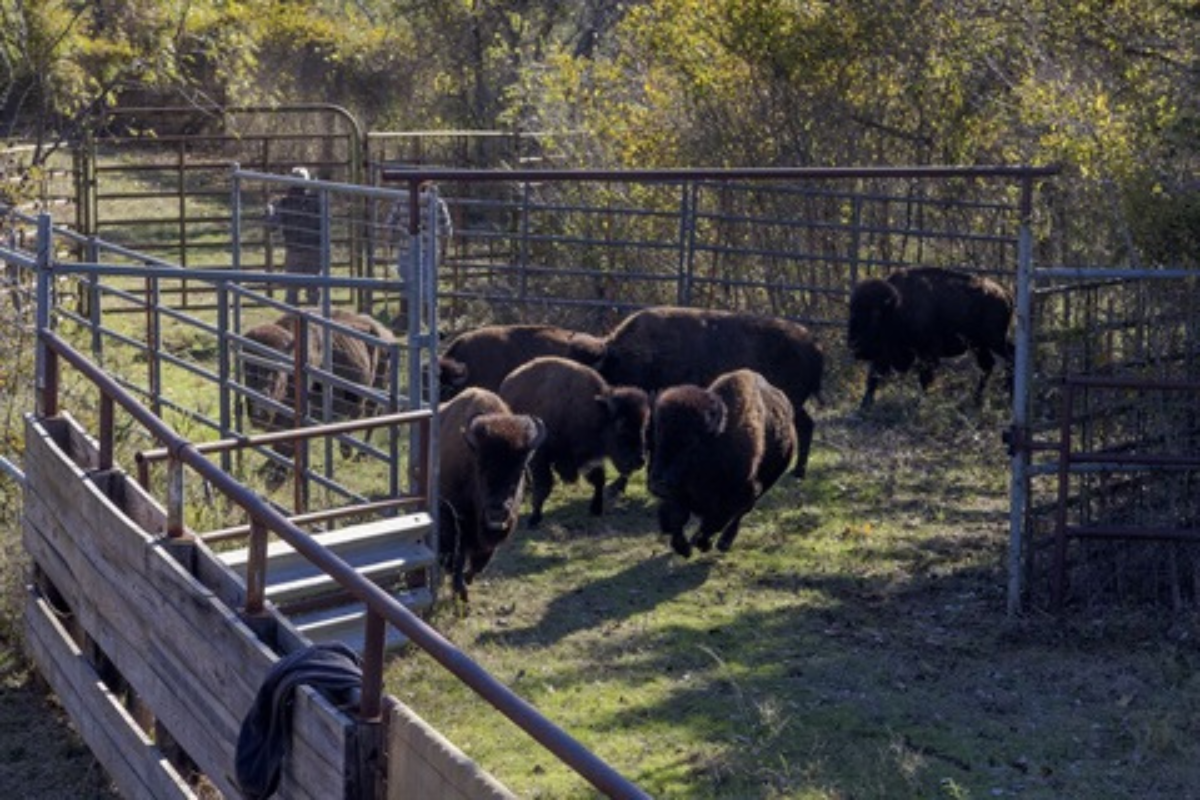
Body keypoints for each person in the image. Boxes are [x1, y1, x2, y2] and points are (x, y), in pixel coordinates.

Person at [266, 167, 322, 305]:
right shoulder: (316, 201)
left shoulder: (285, 202)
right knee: (314, 291)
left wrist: (270, 212)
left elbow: (272, 226)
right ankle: (317, 322)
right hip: (314, 249)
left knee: (292, 291)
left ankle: (291, 321)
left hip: (295, 250)